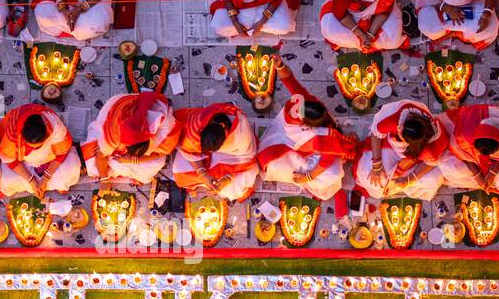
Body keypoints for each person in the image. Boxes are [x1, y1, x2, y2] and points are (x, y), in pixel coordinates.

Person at [257, 59, 357, 201]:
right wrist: (279, 66)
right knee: (272, 165)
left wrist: (308, 176)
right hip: (283, 138)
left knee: (333, 174)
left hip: (306, 148)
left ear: (308, 126)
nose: (294, 111)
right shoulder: (302, 100)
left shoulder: (321, 136)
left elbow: (326, 160)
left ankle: (308, 178)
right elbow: (289, 80)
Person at [355, 100, 447, 201]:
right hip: (388, 143)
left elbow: (431, 161)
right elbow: (376, 134)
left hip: (413, 156)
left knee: (432, 181)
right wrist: (377, 165)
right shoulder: (396, 121)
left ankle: (395, 182)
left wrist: (409, 179)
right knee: (373, 178)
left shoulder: (432, 144)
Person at [84, 92, 179, 185]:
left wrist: (133, 160)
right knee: (93, 162)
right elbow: (100, 156)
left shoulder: (165, 123)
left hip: (142, 109)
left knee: (157, 164)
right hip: (115, 108)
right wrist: (104, 179)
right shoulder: (114, 134)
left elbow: (160, 154)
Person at [171, 103, 259, 202]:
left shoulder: (241, 136)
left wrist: (228, 178)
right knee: (179, 173)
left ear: (223, 126)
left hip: (233, 159)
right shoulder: (196, 125)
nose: (210, 153)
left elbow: (248, 159)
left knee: (236, 189)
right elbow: (190, 151)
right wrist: (202, 173)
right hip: (206, 146)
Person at [438, 103, 499, 195]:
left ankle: (487, 184)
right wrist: (478, 176)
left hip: (498, 160)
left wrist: (492, 173)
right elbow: (463, 154)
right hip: (473, 155)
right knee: (450, 168)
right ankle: (485, 184)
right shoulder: (467, 133)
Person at [0, 105, 84, 198]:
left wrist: (46, 178)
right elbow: (10, 160)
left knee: (72, 167)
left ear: (47, 132)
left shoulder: (54, 126)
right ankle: (50, 184)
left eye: (39, 145)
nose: (35, 149)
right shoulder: (12, 135)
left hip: (51, 157)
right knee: (7, 180)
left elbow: (62, 152)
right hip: (23, 162)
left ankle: (48, 184)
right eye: (31, 146)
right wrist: (32, 181)